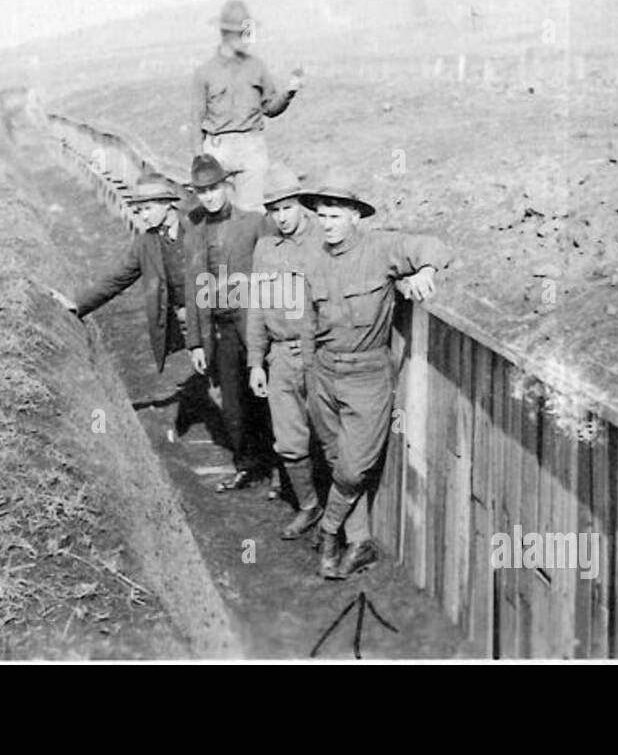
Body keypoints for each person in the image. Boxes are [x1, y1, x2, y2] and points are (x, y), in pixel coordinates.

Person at [300, 180, 452, 580]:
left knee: (353, 468)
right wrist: (308, 377)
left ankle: (330, 530)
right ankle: (361, 541)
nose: (327, 224)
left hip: (366, 377)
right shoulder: (314, 259)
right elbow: (307, 323)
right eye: (321, 216)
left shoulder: (379, 249)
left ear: (355, 217)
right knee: (336, 459)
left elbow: (432, 246)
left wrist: (425, 270)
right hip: (322, 373)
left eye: (335, 217)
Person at [246, 163, 329, 538]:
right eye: (274, 210)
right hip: (280, 356)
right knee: (290, 441)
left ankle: (337, 517)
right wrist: (255, 363)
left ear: (301, 204)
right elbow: (257, 308)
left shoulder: (324, 239)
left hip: (321, 355)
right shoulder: (265, 248)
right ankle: (309, 506)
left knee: (330, 436)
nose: (281, 217)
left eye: (287, 207)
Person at [184, 153, 276, 491]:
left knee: (263, 396)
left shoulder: (254, 223)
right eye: (201, 191)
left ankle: (277, 468)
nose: (208, 196)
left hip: (252, 325)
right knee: (233, 402)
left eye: (213, 188)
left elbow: (274, 268)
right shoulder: (193, 228)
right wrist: (195, 341)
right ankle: (247, 464)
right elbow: (194, 284)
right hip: (219, 329)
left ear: (226, 186)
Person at [63, 175, 189, 374]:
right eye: (140, 211)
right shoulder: (146, 243)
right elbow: (118, 278)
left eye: (148, 209)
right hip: (184, 320)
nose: (144, 216)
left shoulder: (197, 228)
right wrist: (79, 304)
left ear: (167, 204)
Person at [190, 0, 302, 212]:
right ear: (226, 34)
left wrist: (288, 93)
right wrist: (198, 159)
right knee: (218, 213)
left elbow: (269, 108)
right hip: (217, 148)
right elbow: (196, 117)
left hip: (251, 146)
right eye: (243, 33)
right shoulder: (205, 72)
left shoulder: (256, 67)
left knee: (253, 213)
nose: (248, 39)